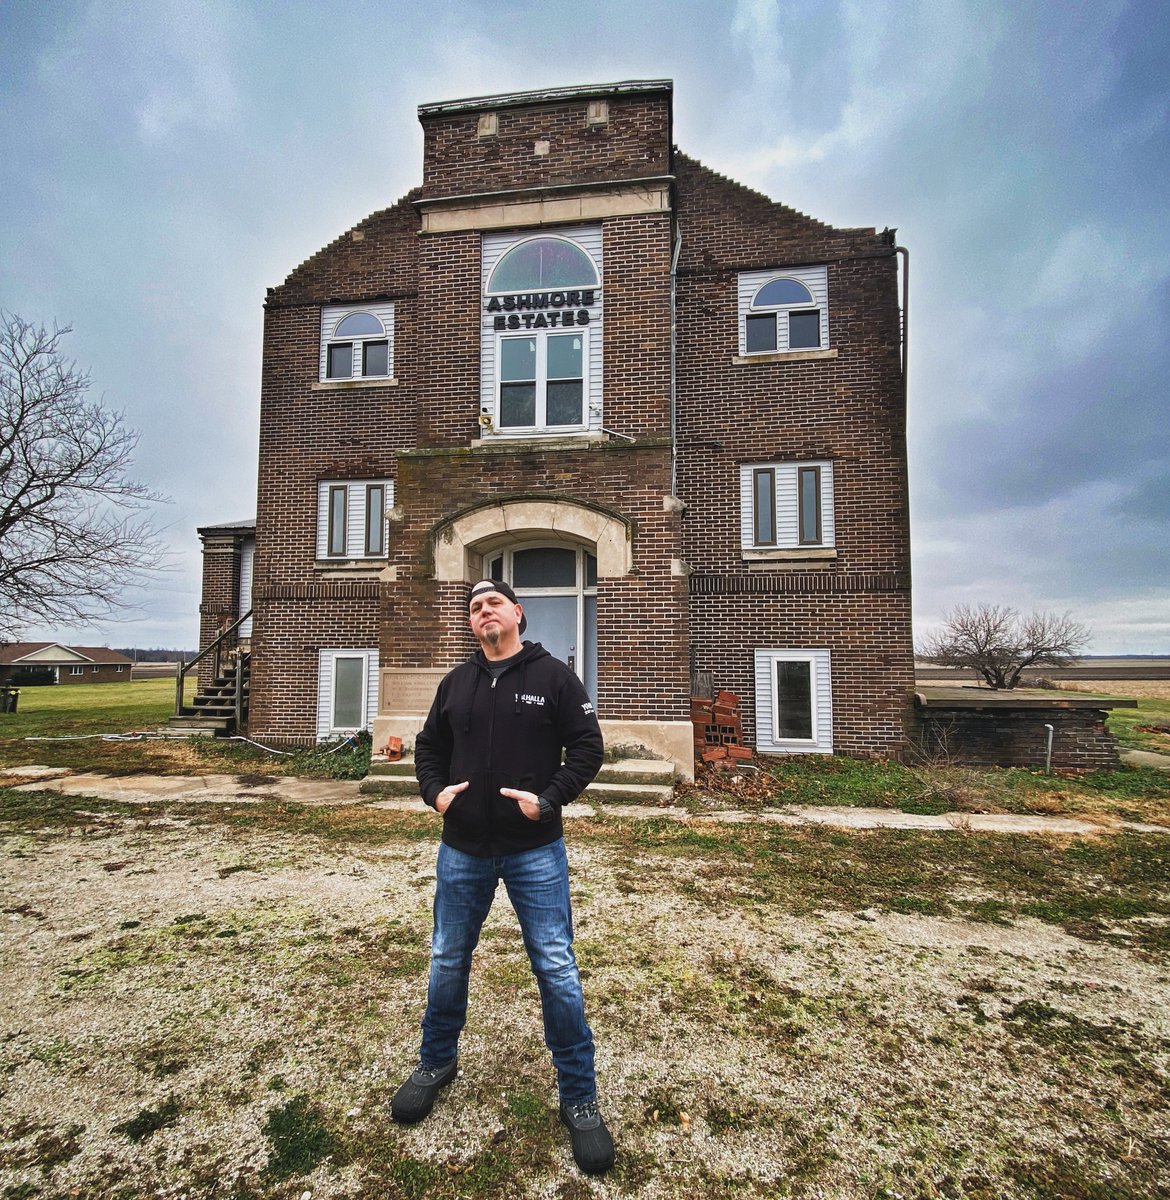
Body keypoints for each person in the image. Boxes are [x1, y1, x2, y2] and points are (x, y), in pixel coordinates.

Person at [391, 579, 613, 1175]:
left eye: (493, 603)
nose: (483, 611)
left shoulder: (554, 678)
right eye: (474, 607)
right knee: (446, 957)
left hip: (533, 850)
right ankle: (436, 1062)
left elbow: (587, 748)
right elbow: (428, 747)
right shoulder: (456, 683)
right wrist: (435, 793)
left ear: (518, 612)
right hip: (462, 848)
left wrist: (550, 800)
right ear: (471, 624)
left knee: (556, 966)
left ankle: (579, 1095)